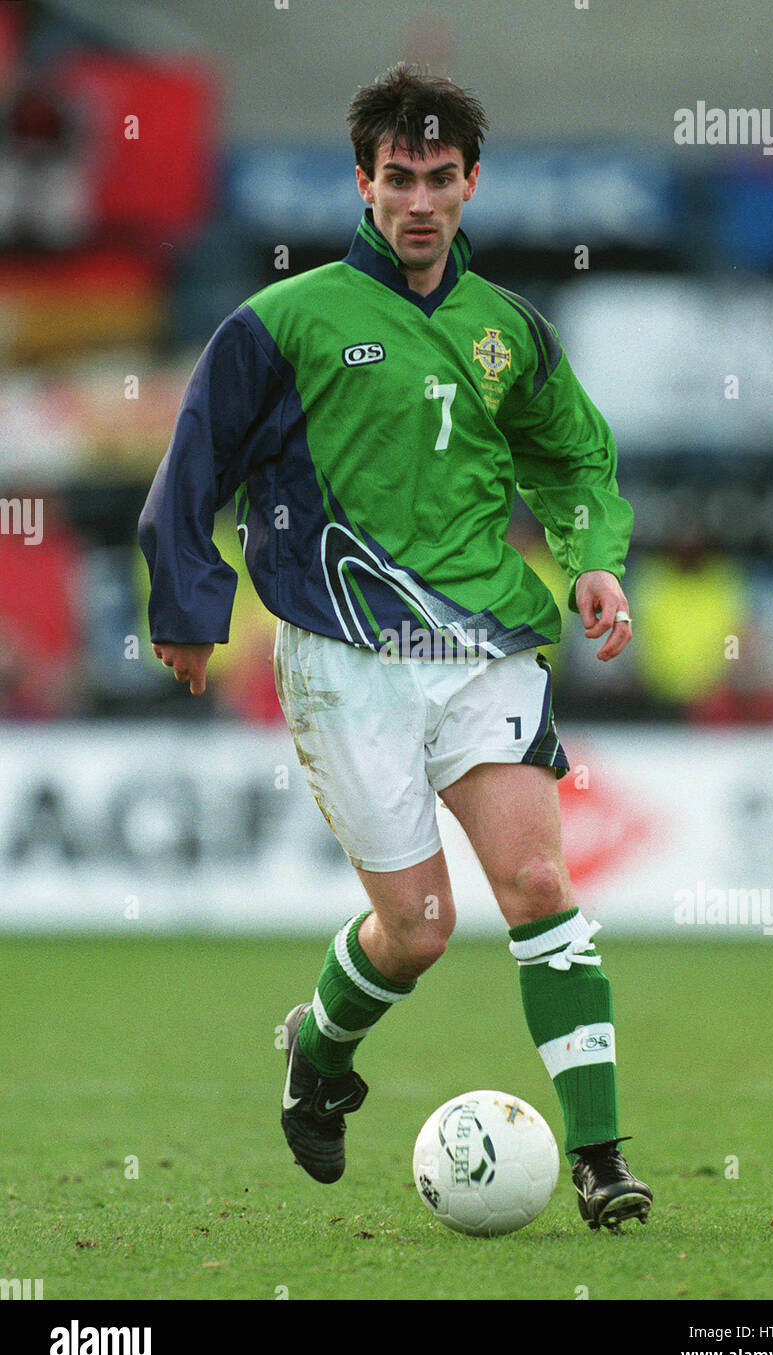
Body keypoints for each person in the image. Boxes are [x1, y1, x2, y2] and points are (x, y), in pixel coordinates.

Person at [139, 64, 652, 1233]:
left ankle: (599, 1160)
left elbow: (572, 456)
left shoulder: (505, 328)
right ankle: (319, 1051)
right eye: (396, 179)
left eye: (439, 178)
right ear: (362, 183)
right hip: (340, 654)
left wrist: (588, 557)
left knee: (536, 883)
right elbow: (194, 462)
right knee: (417, 928)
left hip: (483, 642)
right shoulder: (281, 320)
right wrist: (186, 602)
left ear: (471, 183)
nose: (418, 200)